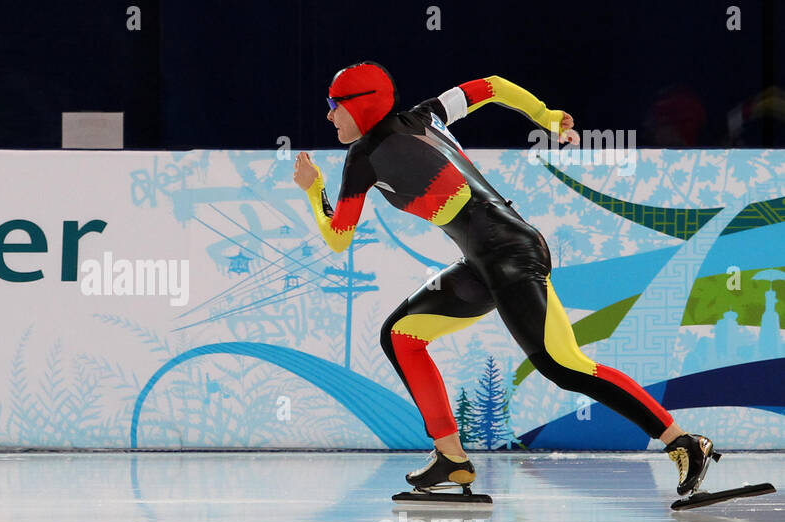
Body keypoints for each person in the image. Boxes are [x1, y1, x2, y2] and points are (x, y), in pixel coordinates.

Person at [292, 61, 717, 498]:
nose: (328, 115)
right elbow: (491, 87)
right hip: (487, 261)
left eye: (333, 105)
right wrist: (545, 115)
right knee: (400, 336)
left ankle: (684, 442)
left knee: (565, 366)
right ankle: (451, 457)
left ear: (360, 106)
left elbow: (338, 237)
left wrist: (312, 188)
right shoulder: (426, 115)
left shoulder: (362, 157)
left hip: (509, 257)